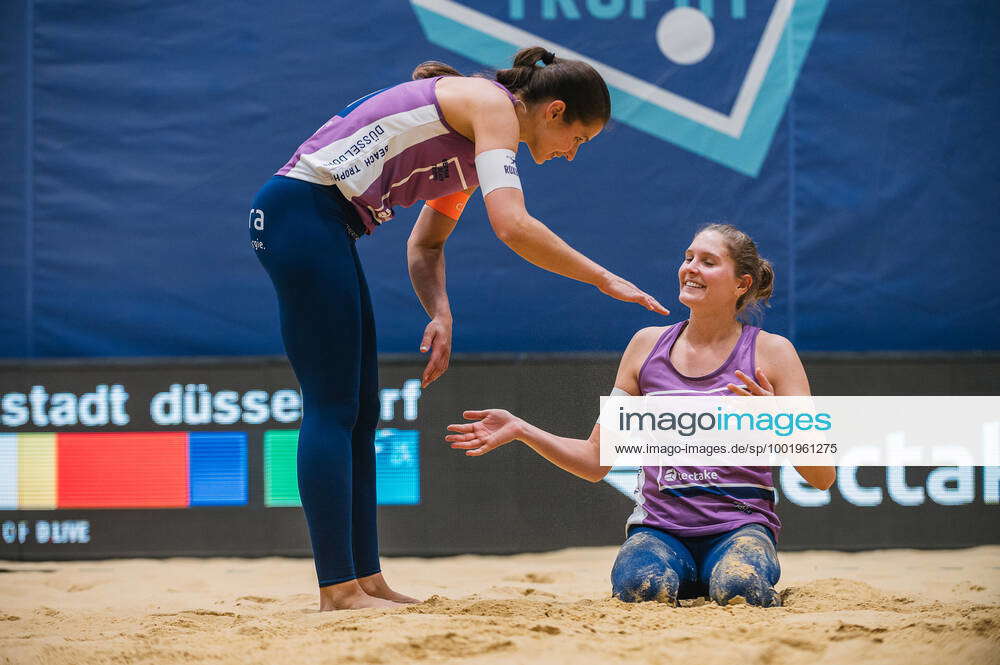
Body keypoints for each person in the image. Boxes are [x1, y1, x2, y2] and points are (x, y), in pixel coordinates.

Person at [249, 47, 669, 611]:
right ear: (554, 111)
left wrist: (440, 312)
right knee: (331, 407)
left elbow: (425, 245)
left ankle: (365, 580)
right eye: (579, 139)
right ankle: (338, 591)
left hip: (318, 220)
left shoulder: (473, 146)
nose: (572, 155)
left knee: (359, 410)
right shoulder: (491, 104)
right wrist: (602, 279)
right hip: (301, 213)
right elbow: (512, 226)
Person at [446, 224, 836, 607]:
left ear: (741, 284)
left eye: (708, 261)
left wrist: (776, 422)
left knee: (740, 587)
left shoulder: (773, 352)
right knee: (641, 588)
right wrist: (521, 429)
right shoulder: (646, 346)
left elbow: (822, 478)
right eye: (688, 258)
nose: (691, 268)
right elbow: (596, 461)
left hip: (740, 529)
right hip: (659, 532)